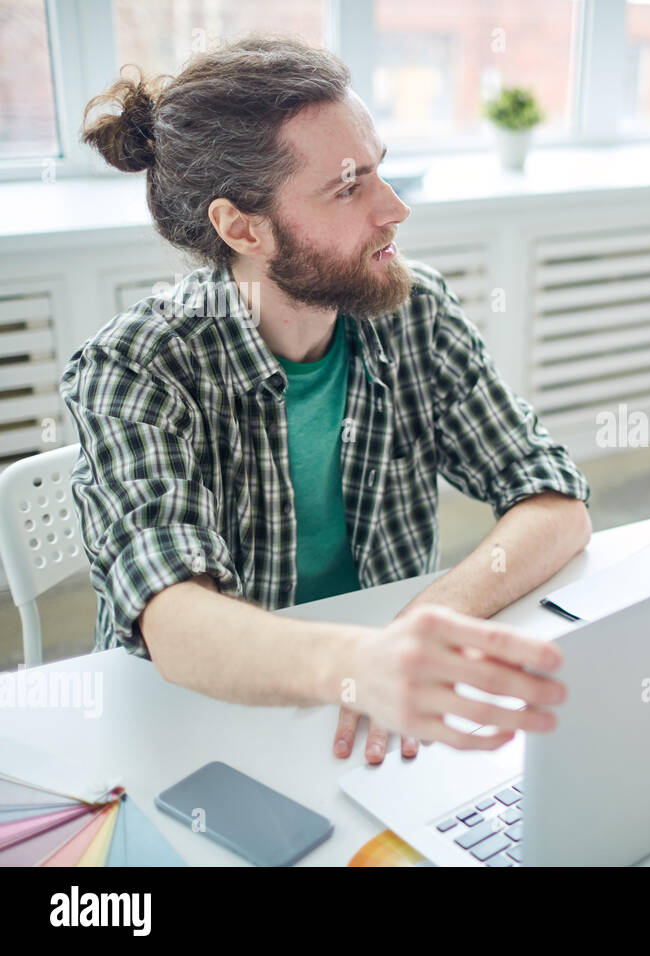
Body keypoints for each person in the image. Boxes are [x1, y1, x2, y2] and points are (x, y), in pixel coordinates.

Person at [62, 36, 592, 764]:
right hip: (193, 728)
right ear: (243, 228)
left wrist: (415, 632)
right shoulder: (135, 368)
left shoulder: (416, 315)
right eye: (349, 188)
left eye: (382, 172)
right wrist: (357, 667)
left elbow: (554, 501)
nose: (396, 210)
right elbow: (175, 621)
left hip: (379, 712)